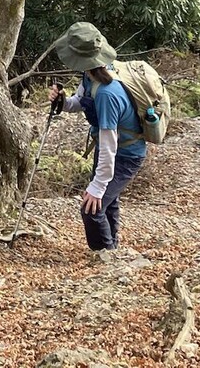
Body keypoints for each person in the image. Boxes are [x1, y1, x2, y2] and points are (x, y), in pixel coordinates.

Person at [47, 21, 147, 256]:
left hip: (126, 154)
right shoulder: (91, 74)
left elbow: (109, 144)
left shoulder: (107, 94)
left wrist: (98, 185)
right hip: (112, 150)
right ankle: (112, 252)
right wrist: (62, 101)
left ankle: (105, 258)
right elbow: (79, 102)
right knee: (107, 203)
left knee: (91, 209)